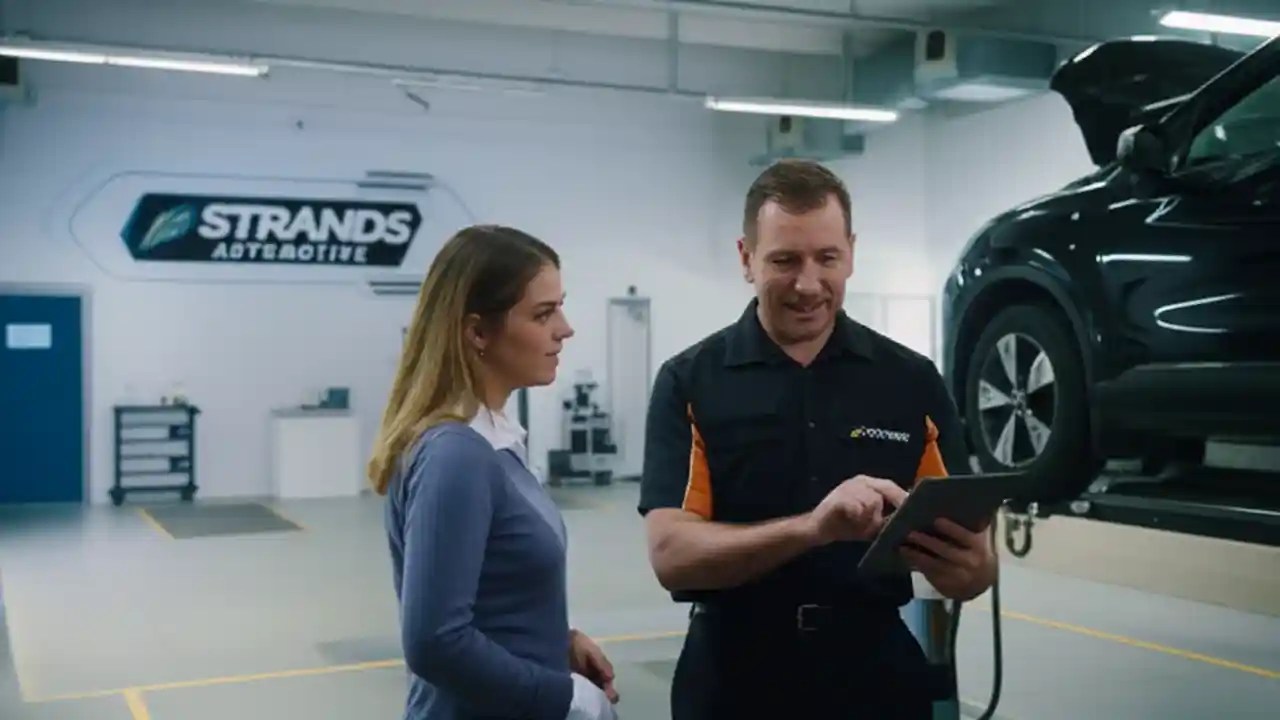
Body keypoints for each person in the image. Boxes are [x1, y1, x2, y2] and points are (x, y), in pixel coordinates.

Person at [638, 159, 998, 719]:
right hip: (735, 682)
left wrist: (971, 568)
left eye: (826, 258)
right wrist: (813, 529)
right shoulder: (691, 383)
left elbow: (974, 566)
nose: (808, 285)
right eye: (784, 260)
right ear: (745, 258)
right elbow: (672, 555)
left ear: (851, 251)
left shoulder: (910, 381)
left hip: (876, 679)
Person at [369, 225, 620, 720]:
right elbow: (436, 641)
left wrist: (556, 642)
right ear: (478, 331)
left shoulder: (497, 441)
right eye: (543, 313)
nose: (564, 329)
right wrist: (565, 697)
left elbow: (492, 598)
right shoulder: (456, 455)